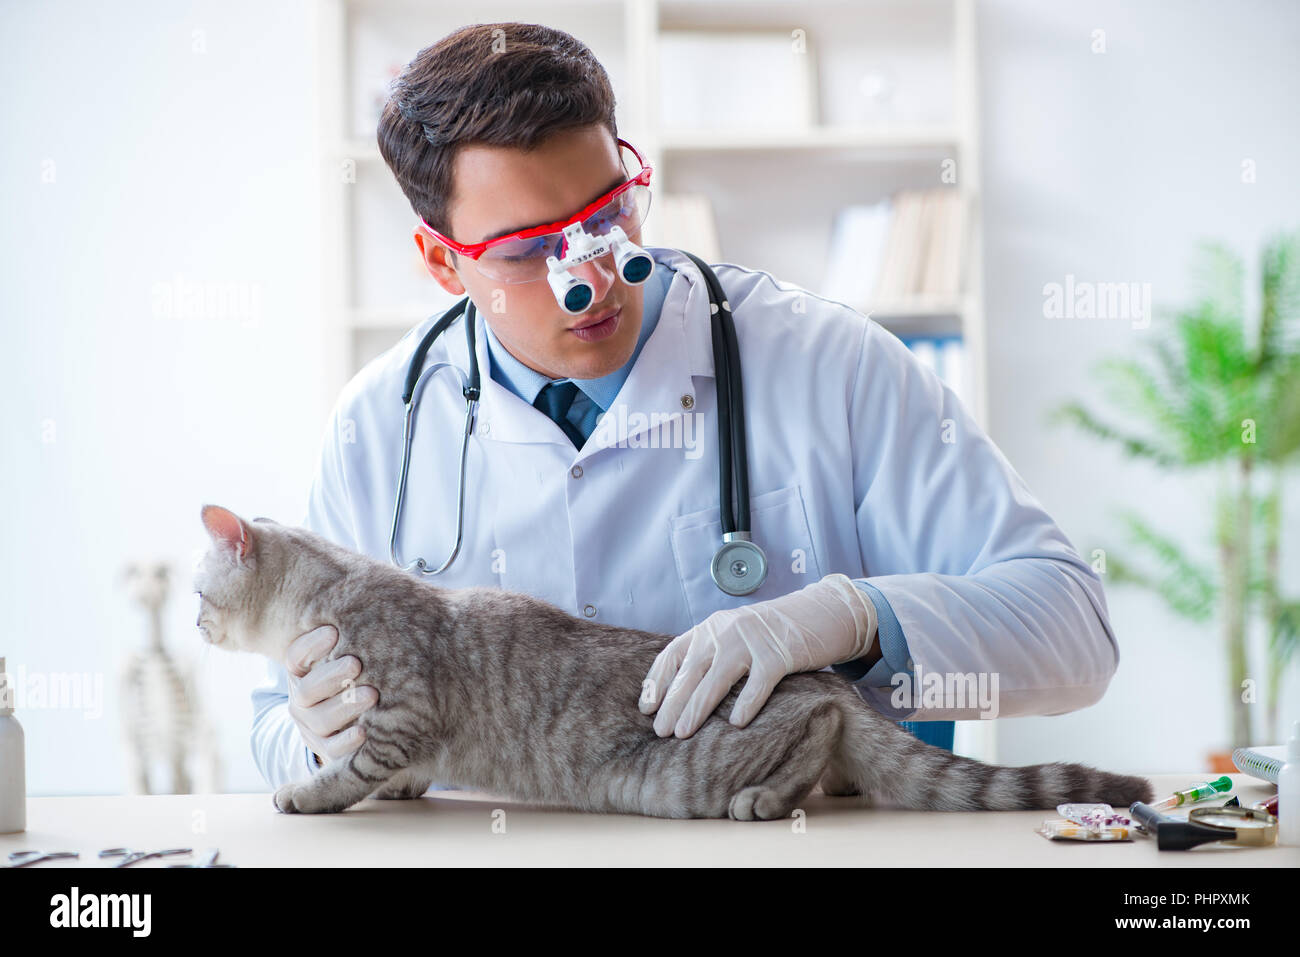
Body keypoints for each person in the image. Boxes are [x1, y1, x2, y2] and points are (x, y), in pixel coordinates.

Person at [250, 22, 1120, 791]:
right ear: (443, 263)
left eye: (607, 215)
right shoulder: (381, 427)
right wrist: (313, 737)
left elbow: (1076, 634)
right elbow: (271, 725)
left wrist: (853, 616)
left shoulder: (827, 363)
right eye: (526, 252)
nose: (589, 278)